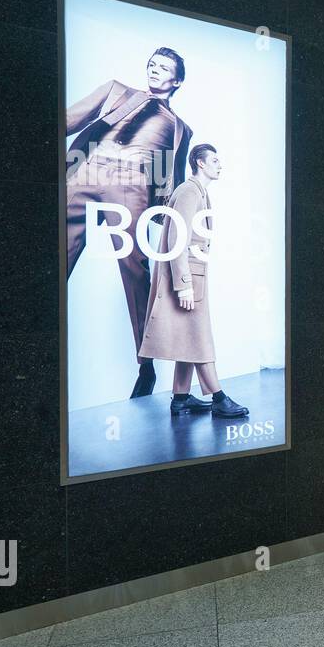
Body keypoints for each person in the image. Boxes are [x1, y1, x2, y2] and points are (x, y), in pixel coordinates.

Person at [66, 48, 194, 399]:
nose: (155, 70)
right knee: (57, 255)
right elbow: (68, 119)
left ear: (177, 80)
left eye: (164, 67)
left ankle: (146, 364)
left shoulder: (180, 129)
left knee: (136, 267)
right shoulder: (115, 91)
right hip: (85, 170)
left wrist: (178, 230)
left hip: (131, 183)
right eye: (152, 64)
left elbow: (174, 182)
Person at [137, 144, 248, 419]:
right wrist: (183, 284)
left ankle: (181, 398)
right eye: (214, 159)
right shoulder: (189, 191)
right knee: (200, 339)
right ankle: (219, 398)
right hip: (188, 281)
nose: (220, 164)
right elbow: (177, 239)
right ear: (199, 163)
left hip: (195, 278)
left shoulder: (199, 192)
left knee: (189, 337)